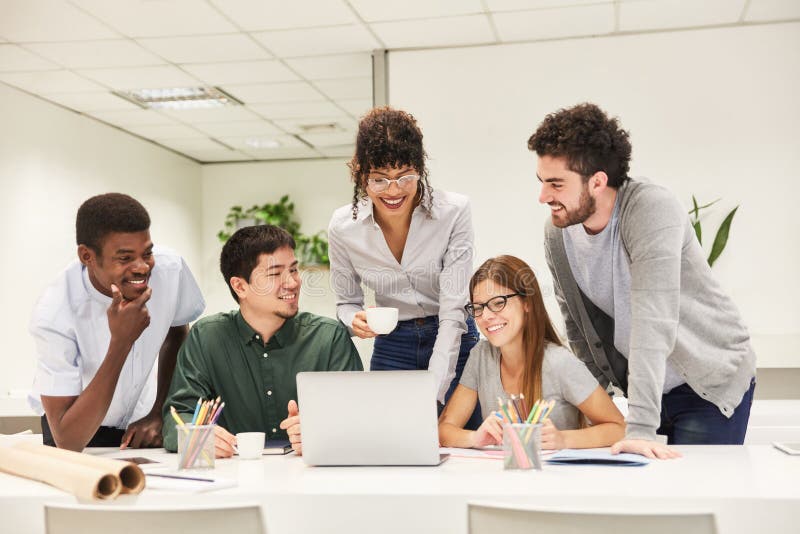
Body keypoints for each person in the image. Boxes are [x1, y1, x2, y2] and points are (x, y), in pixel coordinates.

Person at [529, 103, 757, 458]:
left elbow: (653, 321)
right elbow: (579, 329)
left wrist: (639, 429)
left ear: (597, 181)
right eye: (542, 182)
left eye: (556, 184)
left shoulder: (650, 209)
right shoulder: (558, 233)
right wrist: (592, 409)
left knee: (695, 488)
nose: (543, 197)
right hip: (644, 389)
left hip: (706, 383)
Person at [328, 106, 480, 428]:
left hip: (454, 335)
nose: (394, 190)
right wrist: (353, 319)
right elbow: (346, 303)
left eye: (404, 176)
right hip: (393, 343)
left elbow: (453, 311)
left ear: (419, 169)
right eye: (379, 179)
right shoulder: (343, 227)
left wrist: (433, 391)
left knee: (462, 441)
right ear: (361, 174)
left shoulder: (453, 212)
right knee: (389, 439)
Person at [162, 224, 363, 457]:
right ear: (240, 286)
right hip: (234, 473)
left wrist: (323, 431)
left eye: (294, 270)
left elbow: (358, 417)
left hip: (310, 472)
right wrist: (196, 437)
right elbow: (178, 416)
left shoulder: (330, 337)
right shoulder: (206, 337)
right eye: (275, 274)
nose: (292, 282)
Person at [29, 193, 205, 451]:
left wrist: (159, 411)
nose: (142, 267)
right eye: (125, 258)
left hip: (141, 426)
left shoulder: (171, 269)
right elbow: (68, 441)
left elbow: (177, 329)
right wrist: (121, 341)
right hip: (76, 430)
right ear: (87, 256)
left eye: (147, 253)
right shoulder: (55, 312)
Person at [438, 256, 625, 449]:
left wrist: (563, 439)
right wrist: (476, 438)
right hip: (503, 468)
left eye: (498, 303)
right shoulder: (481, 356)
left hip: (552, 468)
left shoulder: (560, 362)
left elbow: (620, 428)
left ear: (527, 303)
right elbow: (444, 429)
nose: (485, 316)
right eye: (478, 307)